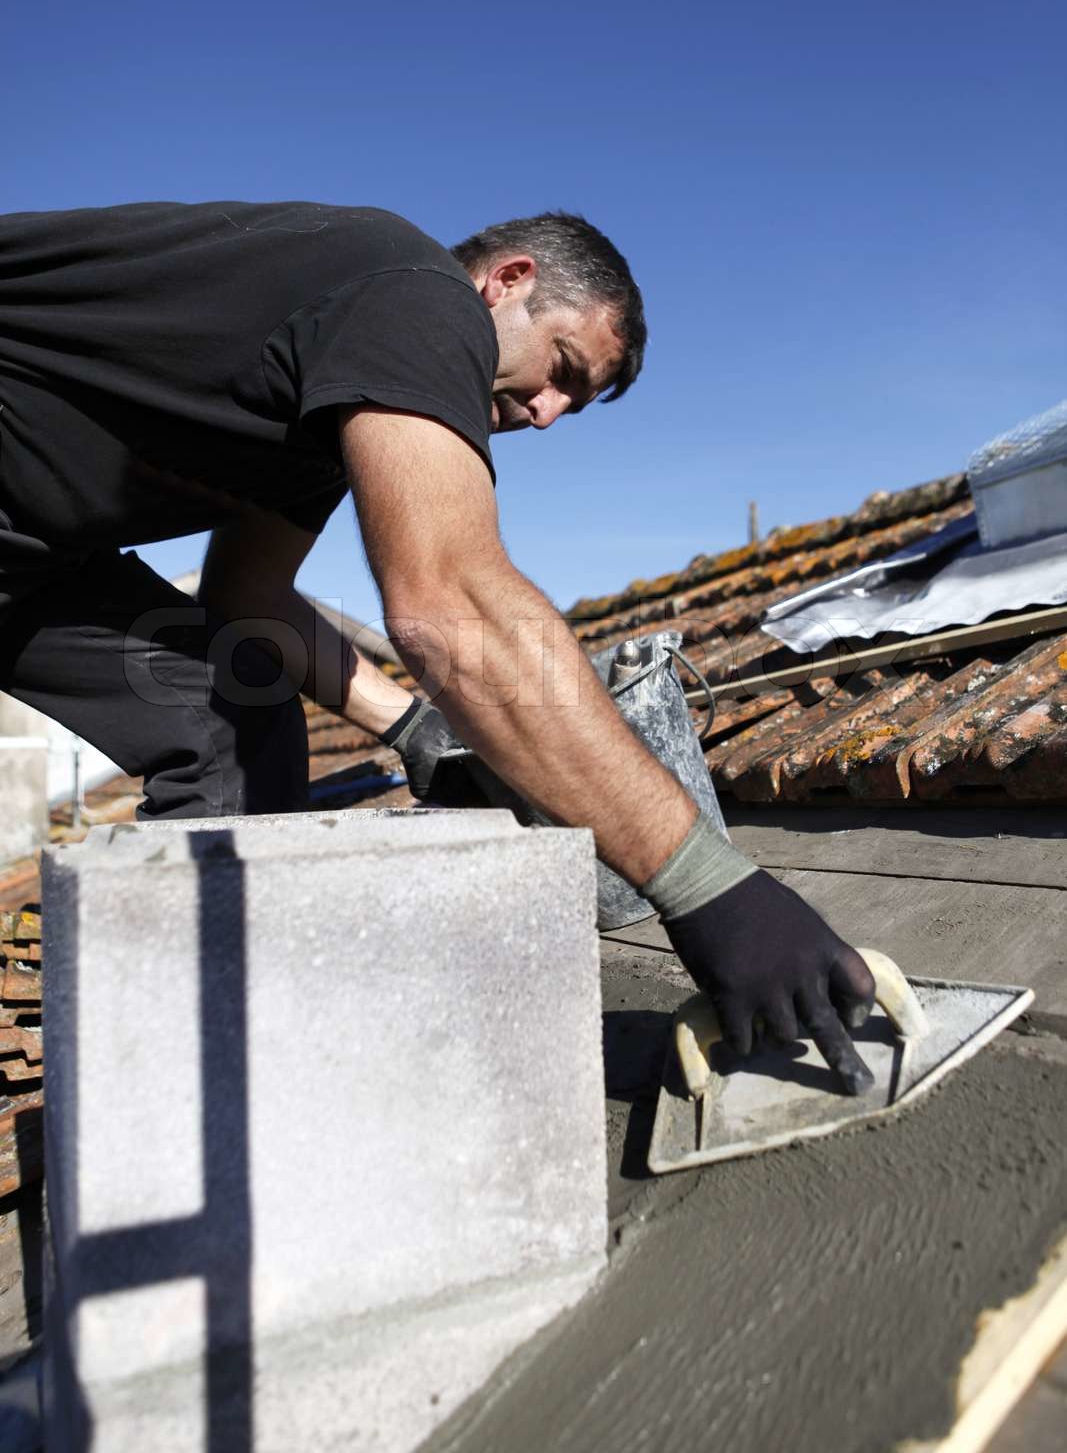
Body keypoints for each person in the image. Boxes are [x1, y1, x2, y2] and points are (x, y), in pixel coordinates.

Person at [0, 199, 876, 1087]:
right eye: (561, 370)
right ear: (507, 281)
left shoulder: (329, 398)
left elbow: (247, 596)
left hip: (29, 558)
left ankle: (177, 1079)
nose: (544, 414)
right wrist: (705, 887)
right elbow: (449, 601)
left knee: (236, 713)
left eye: (572, 407)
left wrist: (414, 729)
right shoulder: (412, 290)